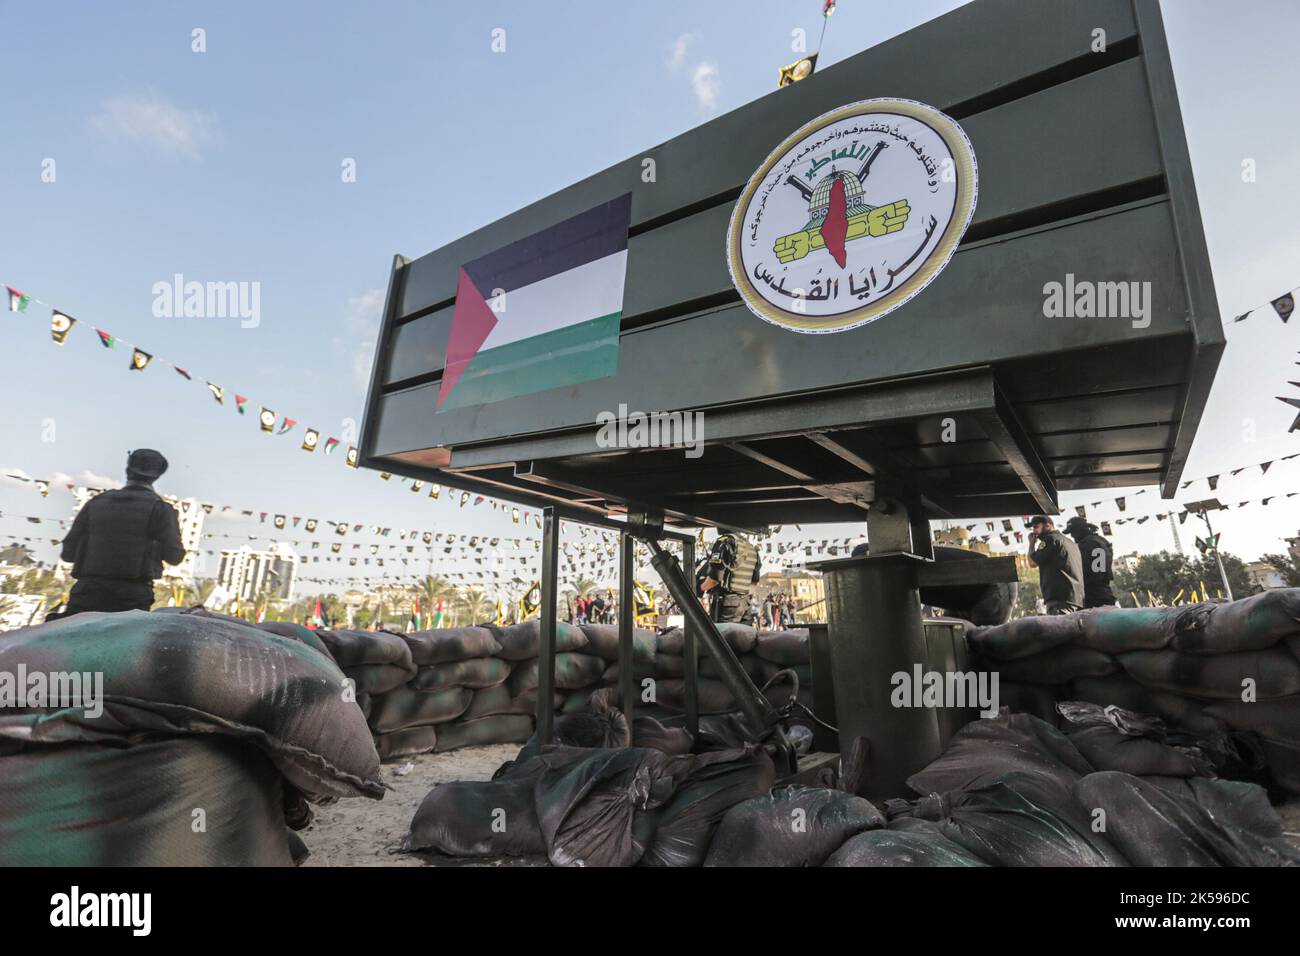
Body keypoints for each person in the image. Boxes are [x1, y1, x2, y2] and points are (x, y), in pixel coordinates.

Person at [54, 449, 184, 618]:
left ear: (127, 471)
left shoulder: (96, 503)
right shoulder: (161, 509)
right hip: (130, 599)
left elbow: (68, 554)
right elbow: (174, 557)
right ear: (157, 476)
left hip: (87, 592)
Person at [698, 528, 761, 623]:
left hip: (727, 605)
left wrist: (699, 588)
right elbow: (754, 582)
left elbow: (715, 579)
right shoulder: (751, 547)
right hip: (746, 605)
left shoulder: (724, 543)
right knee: (744, 637)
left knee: (722, 636)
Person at [1025, 515, 1084, 615]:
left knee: (1061, 630)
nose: (1034, 531)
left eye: (1036, 527)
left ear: (1048, 525)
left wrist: (1031, 544)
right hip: (1076, 599)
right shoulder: (1070, 542)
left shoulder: (1050, 540)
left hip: (1059, 599)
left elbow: (1032, 563)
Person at [1064, 516, 1117, 608]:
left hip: (1092, 594)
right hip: (1105, 591)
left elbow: (1082, 569)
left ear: (1080, 529)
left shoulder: (1085, 545)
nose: (1072, 536)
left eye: (1073, 532)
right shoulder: (1102, 541)